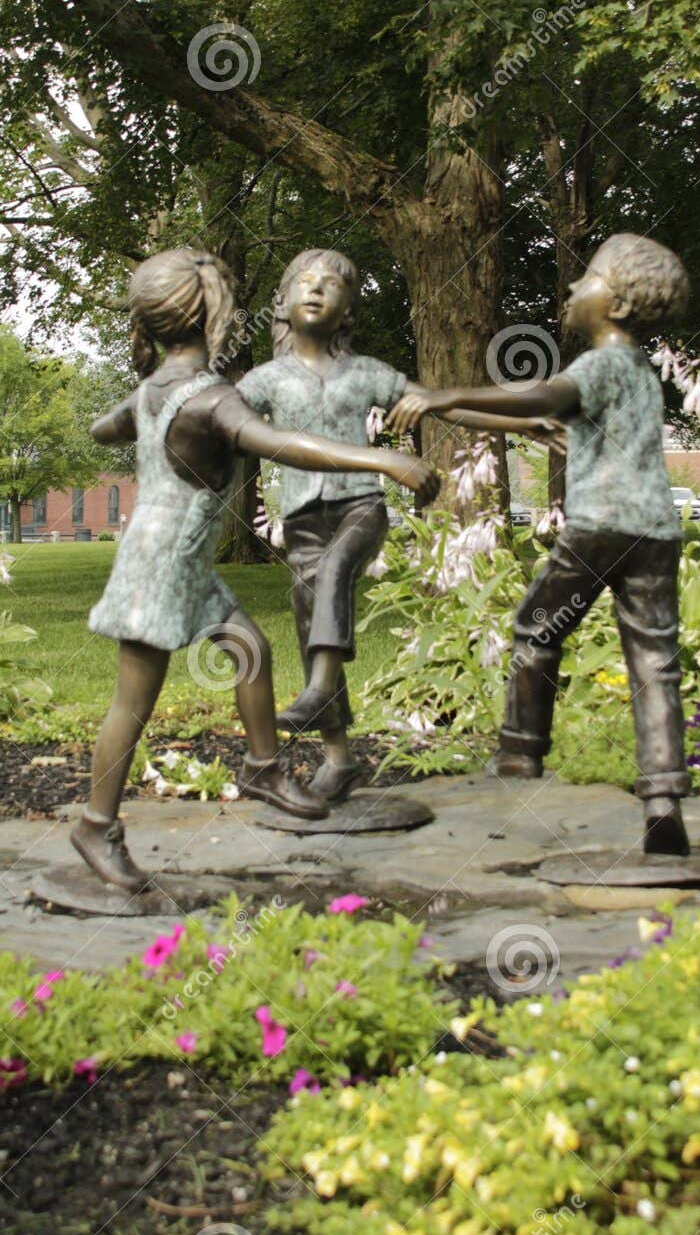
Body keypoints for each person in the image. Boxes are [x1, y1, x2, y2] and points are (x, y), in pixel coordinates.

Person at [76, 246, 438, 891]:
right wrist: (383, 462)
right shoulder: (211, 399)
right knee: (132, 703)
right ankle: (96, 826)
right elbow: (286, 444)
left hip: (178, 554)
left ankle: (263, 767)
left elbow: (108, 428)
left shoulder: (156, 390)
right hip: (160, 565)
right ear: (213, 317)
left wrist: (122, 422)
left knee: (251, 649)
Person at [388, 233, 693, 858]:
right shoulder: (638, 376)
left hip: (599, 528)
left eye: (587, 279)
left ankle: (519, 754)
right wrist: (451, 408)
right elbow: (533, 417)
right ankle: (663, 798)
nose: (574, 289)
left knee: (536, 626)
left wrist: (451, 393)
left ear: (618, 304)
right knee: (654, 663)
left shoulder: (600, 364)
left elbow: (541, 396)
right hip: (654, 533)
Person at [238, 248, 557, 802]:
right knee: (313, 626)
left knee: (337, 573)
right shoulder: (265, 380)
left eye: (331, 285)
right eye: (303, 283)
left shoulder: (368, 374)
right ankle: (339, 761)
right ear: (283, 306)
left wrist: (524, 420)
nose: (316, 289)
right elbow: (221, 419)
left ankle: (315, 691)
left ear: (349, 313)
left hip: (359, 506)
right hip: (301, 518)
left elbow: (442, 406)